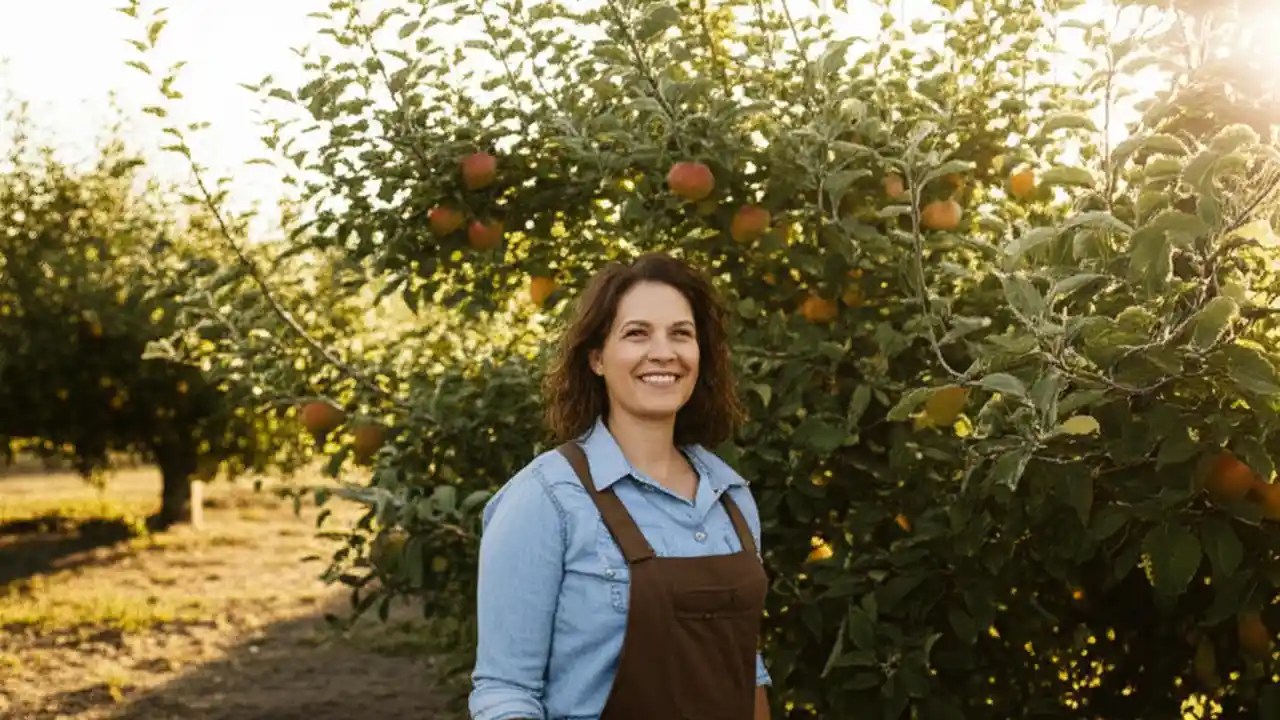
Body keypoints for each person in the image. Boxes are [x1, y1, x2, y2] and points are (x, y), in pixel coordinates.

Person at [468, 252, 773, 720]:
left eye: (681, 334)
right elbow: (505, 691)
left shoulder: (729, 497)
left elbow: (746, 671)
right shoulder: (547, 498)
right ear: (596, 358)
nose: (663, 352)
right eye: (637, 333)